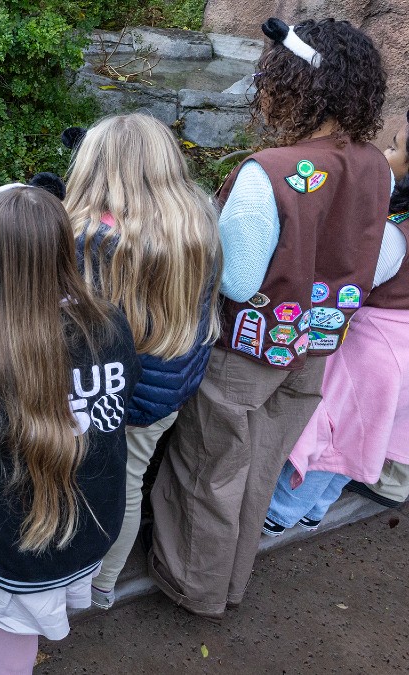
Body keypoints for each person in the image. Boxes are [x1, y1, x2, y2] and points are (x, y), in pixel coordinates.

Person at [148, 17, 396, 619]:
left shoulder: (270, 170)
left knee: (209, 471)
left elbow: (236, 278)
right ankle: (233, 582)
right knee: (261, 466)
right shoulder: (377, 168)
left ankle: (196, 590)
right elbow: (383, 256)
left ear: (295, 83)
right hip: (315, 347)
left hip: (245, 352)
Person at [0, 186, 140, 675]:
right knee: (31, 625)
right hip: (90, 524)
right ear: (65, 248)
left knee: (12, 654)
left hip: (13, 545)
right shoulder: (112, 323)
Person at [62, 113, 221, 609]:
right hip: (167, 385)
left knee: (77, 481)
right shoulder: (199, 217)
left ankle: (66, 582)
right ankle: (102, 586)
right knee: (128, 481)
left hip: (97, 391)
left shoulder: (86, 233)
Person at [263, 108, 409, 534]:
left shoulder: (394, 233)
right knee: (368, 432)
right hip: (402, 350)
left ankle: (280, 513)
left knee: (329, 437)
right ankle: (316, 509)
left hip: (373, 351)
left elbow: (360, 279)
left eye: (396, 148)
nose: (386, 151)